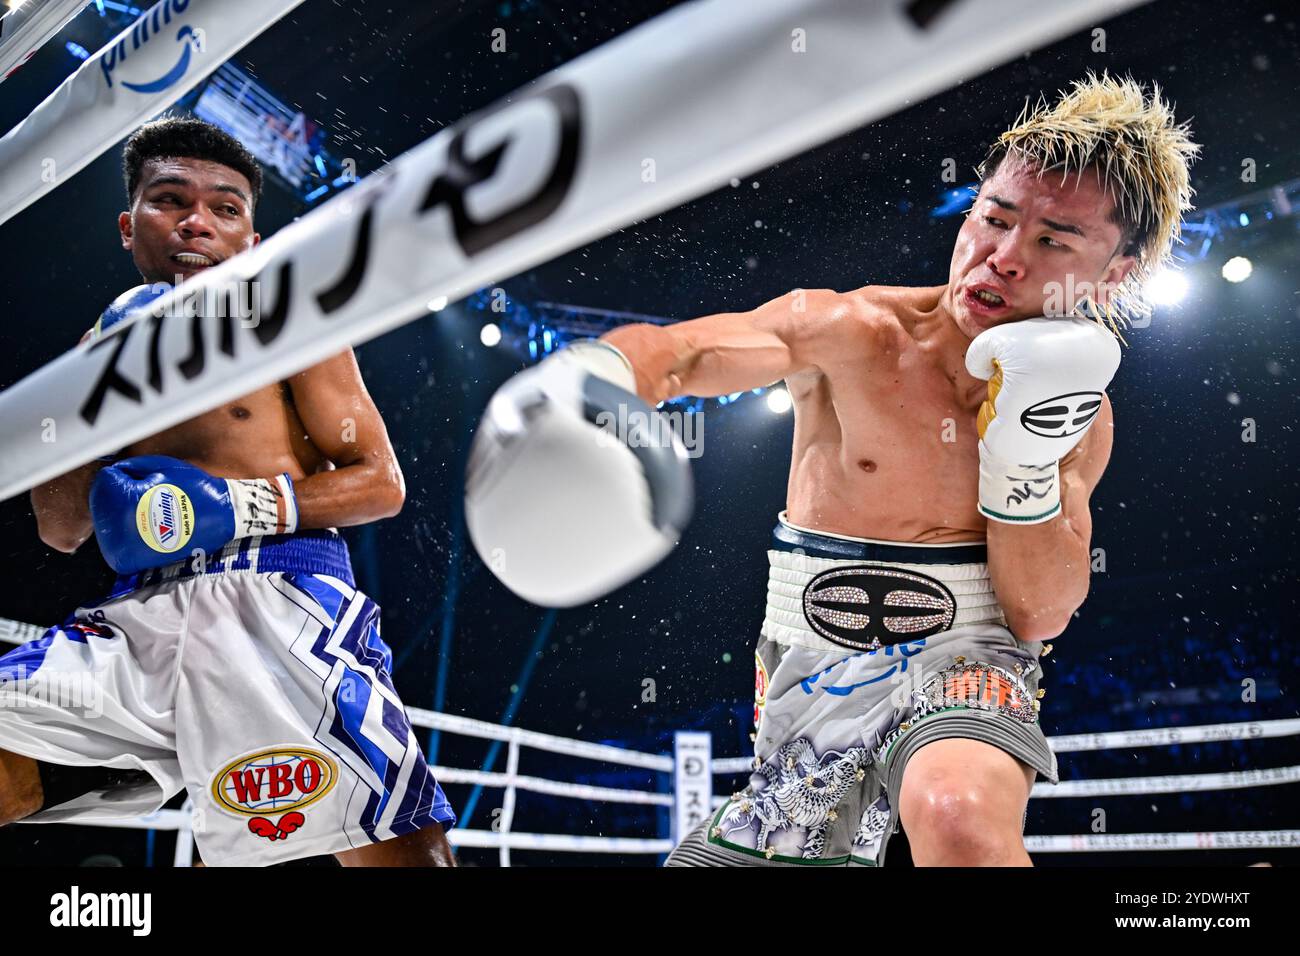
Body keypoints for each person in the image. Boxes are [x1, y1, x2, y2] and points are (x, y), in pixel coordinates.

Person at [472, 72, 1199, 866]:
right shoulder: (855, 330)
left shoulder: (1078, 410)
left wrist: (1021, 462)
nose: (1003, 257)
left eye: (1054, 240)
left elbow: (1040, 615)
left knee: (957, 816)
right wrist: (593, 374)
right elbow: (686, 352)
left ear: (1117, 271)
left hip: (971, 663)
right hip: (810, 679)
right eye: (993, 218)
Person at [0, 117, 456, 866]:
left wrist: (240, 508)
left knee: (400, 855)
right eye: (170, 200)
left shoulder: (289, 318)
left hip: (277, 602)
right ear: (128, 225)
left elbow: (382, 485)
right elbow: (62, 528)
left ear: (250, 234)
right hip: (138, 615)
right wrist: (81, 398)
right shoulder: (97, 348)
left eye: (225, 208)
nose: (195, 222)